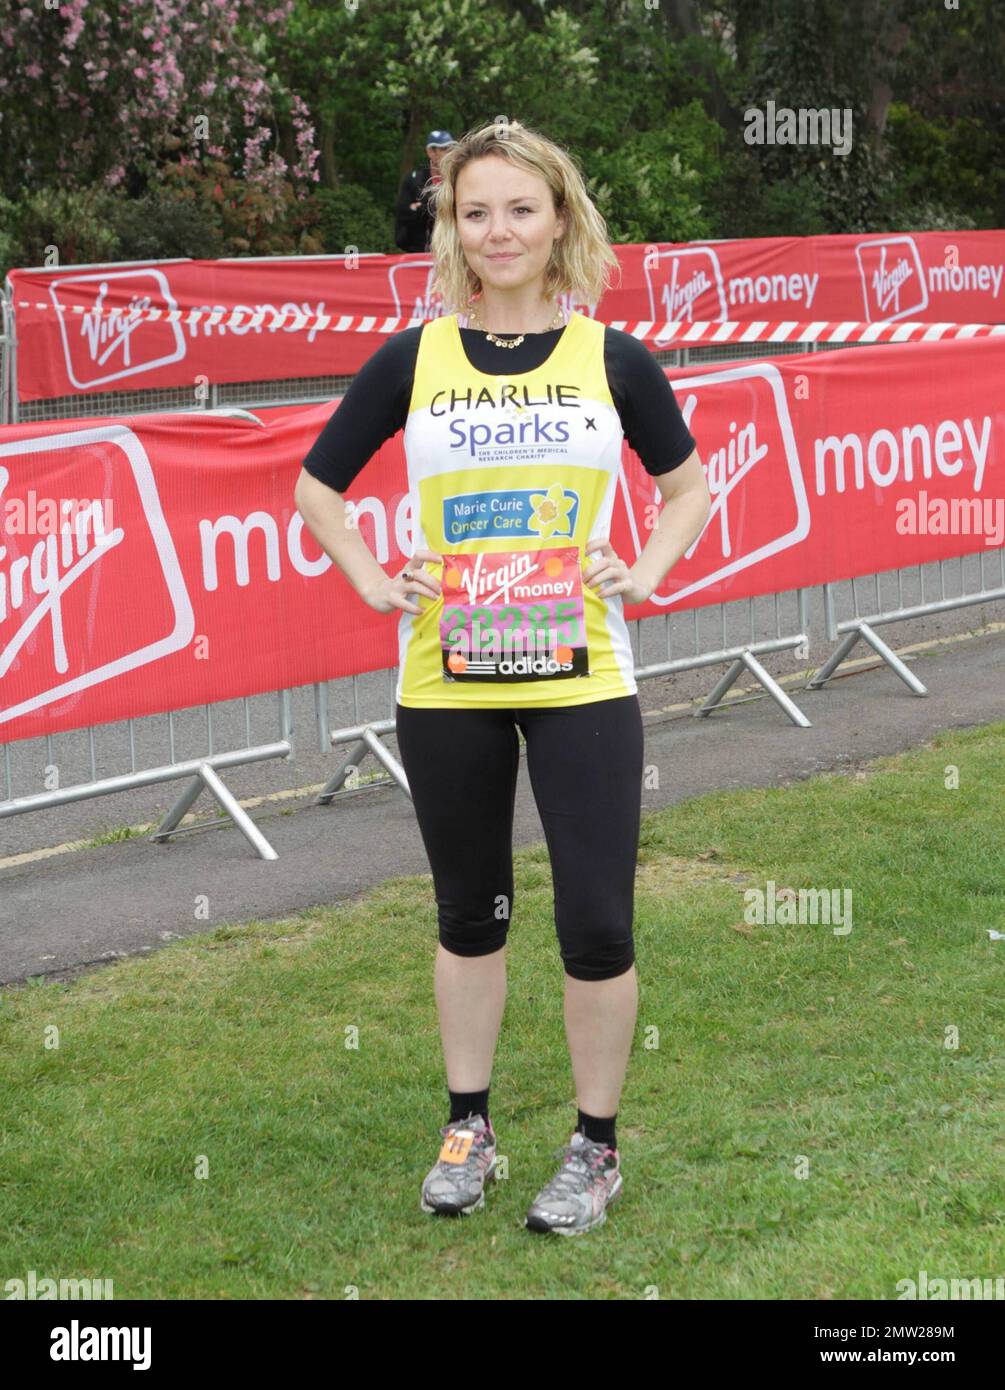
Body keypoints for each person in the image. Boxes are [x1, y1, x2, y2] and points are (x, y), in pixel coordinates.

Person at [295, 119, 711, 1237]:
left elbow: (688, 489)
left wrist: (645, 571)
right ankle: (469, 1128)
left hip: (583, 680)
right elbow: (317, 486)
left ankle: (595, 1147)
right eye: (474, 210)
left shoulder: (612, 357)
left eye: (521, 208)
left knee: (596, 923)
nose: (499, 230)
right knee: (470, 916)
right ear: (451, 226)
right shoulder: (413, 358)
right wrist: (377, 579)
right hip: (447, 683)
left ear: (560, 217)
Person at [394, 129, 455, 252]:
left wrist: (421, 207)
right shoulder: (414, 180)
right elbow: (403, 215)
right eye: (444, 148)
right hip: (419, 255)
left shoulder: (458, 180)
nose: (449, 153)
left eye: (451, 148)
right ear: (430, 152)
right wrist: (430, 209)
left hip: (452, 252)